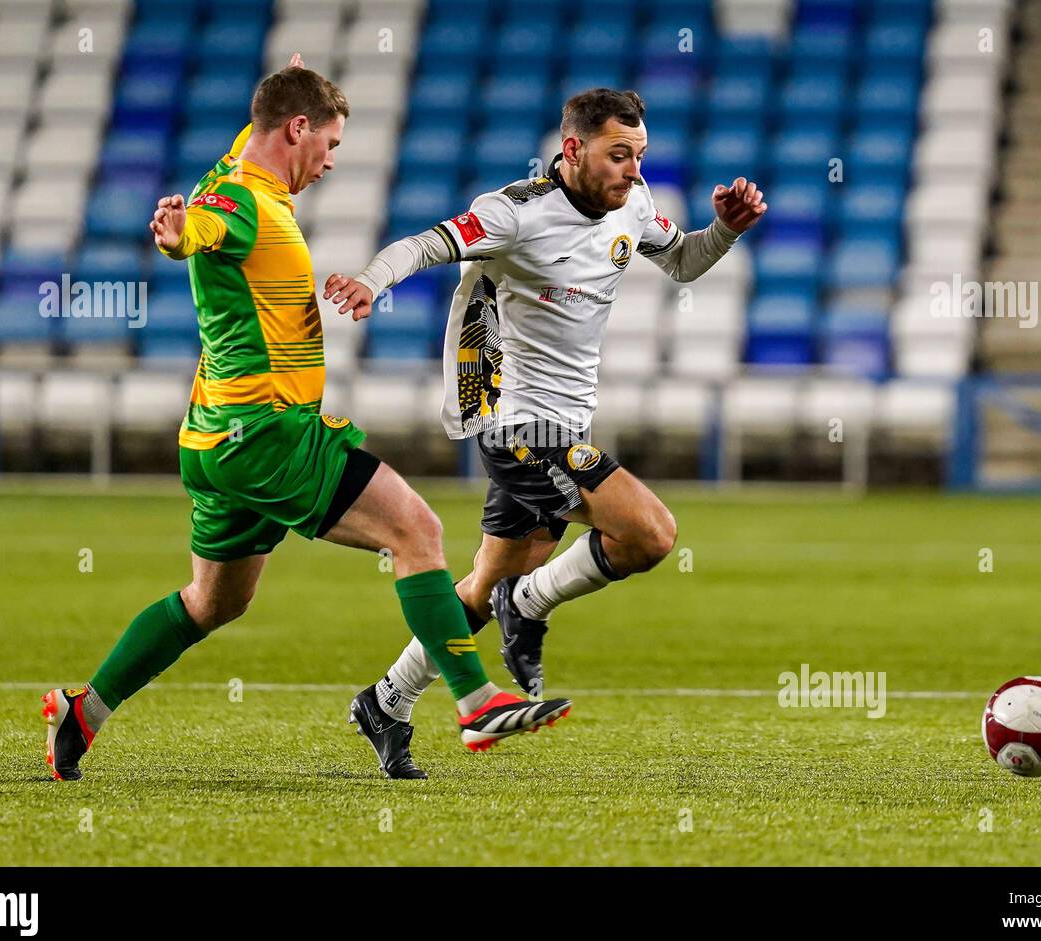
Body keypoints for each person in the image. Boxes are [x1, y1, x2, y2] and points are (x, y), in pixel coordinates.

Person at [41, 58, 572, 782]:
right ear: (298, 129)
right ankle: (475, 702)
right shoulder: (240, 203)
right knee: (416, 531)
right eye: (330, 142)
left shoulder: (236, 167)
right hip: (265, 433)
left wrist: (289, 79)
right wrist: (174, 236)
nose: (330, 160)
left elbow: (241, 156)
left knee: (212, 601)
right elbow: (201, 230)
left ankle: (84, 712)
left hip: (212, 438)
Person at [324, 88, 767, 778]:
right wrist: (368, 281)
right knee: (651, 534)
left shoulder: (636, 203)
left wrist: (727, 230)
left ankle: (387, 700)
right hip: (517, 424)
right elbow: (424, 245)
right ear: (572, 150)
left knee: (481, 582)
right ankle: (527, 606)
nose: (632, 169)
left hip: (567, 425)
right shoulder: (516, 213)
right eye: (619, 154)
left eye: (640, 155)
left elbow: (682, 261)